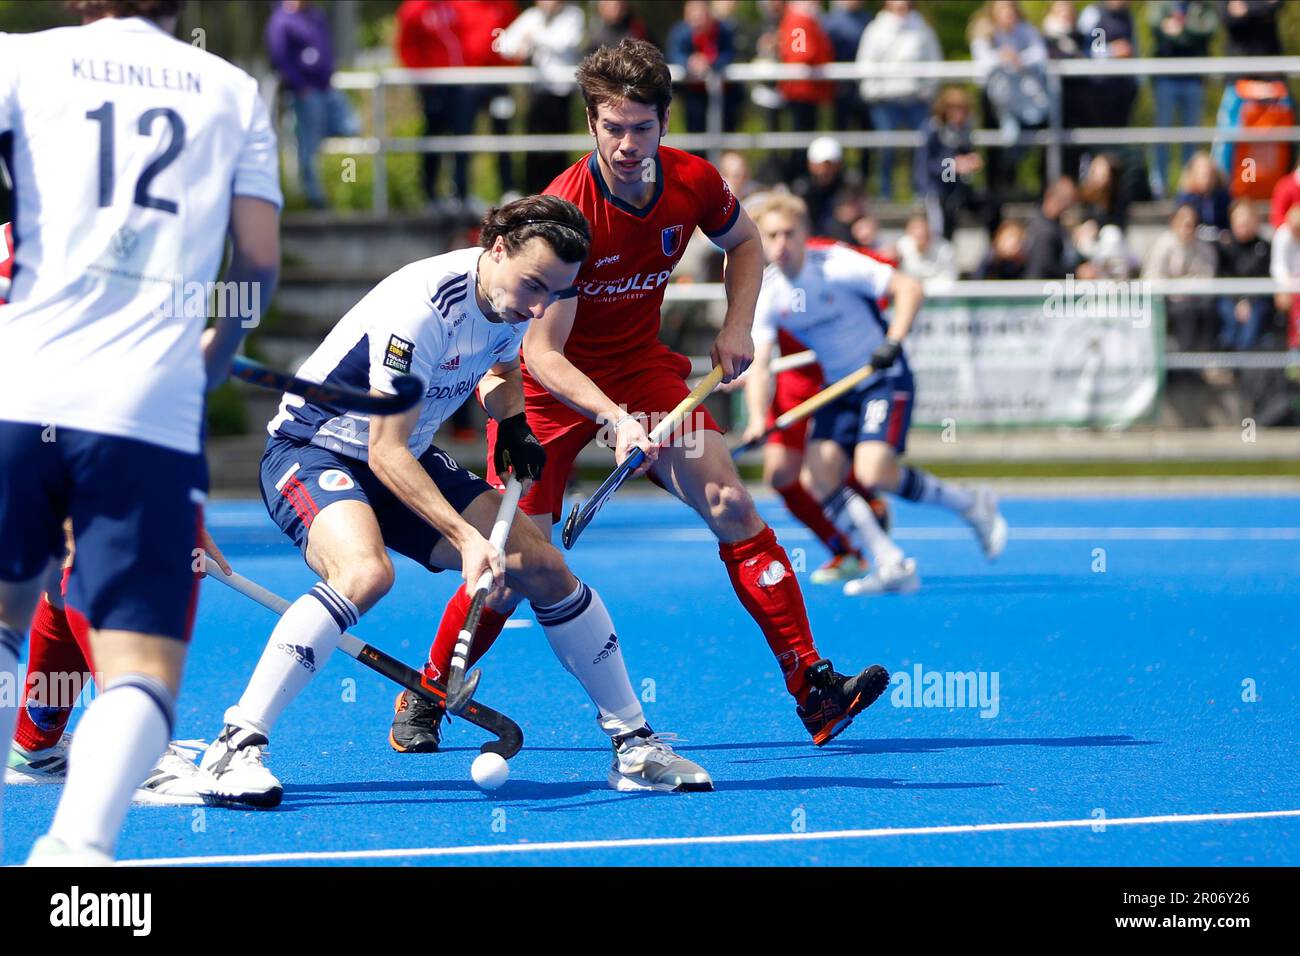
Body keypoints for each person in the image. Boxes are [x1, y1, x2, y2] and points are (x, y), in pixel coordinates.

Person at [406, 39, 892, 752]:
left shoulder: (695, 181)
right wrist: (612, 420)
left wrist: (735, 326)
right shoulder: (566, 212)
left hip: (642, 375)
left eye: (642, 127)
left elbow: (747, 245)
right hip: (549, 397)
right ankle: (428, 690)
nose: (628, 145)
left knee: (730, 501)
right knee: (511, 566)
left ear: (665, 123)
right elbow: (541, 352)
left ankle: (813, 688)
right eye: (612, 128)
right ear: (591, 125)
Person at [198, 196, 712, 806]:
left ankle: (634, 745)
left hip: (405, 455)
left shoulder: (513, 294)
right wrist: (469, 542)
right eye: (535, 287)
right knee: (365, 574)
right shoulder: (420, 311)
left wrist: (515, 423)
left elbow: (498, 371)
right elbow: (385, 452)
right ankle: (233, 747)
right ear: (496, 249)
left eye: (556, 292)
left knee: (542, 566)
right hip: (318, 452)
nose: (542, 306)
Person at [0, 0, 282, 863]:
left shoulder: (16, 58)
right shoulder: (233, 90)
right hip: (145, 410)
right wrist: (214, 350)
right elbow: (259, 263)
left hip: (23, 389)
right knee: (140, 668)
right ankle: (76, 858)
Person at [744, 193, 1007, 596]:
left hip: (882, 377)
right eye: (772, 235)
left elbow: (909, 288)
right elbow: (760, 363)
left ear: (805, 233)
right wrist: (759, 417)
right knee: (819, 478)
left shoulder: (835, 264)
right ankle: (889, 562)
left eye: (789, 233)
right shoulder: (771, 291)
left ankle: (970, 503)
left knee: (873, 473)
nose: (781, 244)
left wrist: (894, 341)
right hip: (839, 387)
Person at [266, 0, 357, 209]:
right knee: (309, 145)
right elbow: (280, 58)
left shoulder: (316, 16)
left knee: (350, 127)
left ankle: (342, 183)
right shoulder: (281, 21)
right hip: (305, 93)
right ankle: (315, 198)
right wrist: (300, 86)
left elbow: (325, 47)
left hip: (326, 88)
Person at [855, 0, 941, 202]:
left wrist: (925, 91)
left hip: (916, 101)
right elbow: (865, 64)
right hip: (885, 102)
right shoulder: (875, 30)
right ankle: (885, 194)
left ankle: (920, 193)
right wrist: (875, 92)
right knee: (887, 150)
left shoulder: (922, 29)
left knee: (921, 149)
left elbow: (934, 62)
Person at [497, 0, 587, 194]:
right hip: (537, 96)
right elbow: (504, 44)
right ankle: (532, 195)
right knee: (534, 150)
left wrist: (533, 38)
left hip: (561, 96)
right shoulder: (532, 16)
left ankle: (561, 194)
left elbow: (565, 42)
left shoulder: (573, 15)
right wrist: (522, 46)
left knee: (558, 150)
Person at [395, 0, 470, 209]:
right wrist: (423, 78)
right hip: (434, 86)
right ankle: (429, 193)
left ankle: (460, 192)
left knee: (462, 135)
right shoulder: (414, 9)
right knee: (434, 137)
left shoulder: (451, 6)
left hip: (457, 83)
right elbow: (405, 46)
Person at [1147, 1, 1218, 198]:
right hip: (1166, 79)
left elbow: (1208, 31)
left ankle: (1190, 187)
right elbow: (1155, 27)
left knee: (1191, 138)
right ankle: (1159, 189)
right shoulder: (1161, 5)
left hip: (1194, 81)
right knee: (1162, 136)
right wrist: (1190, 33)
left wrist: (1181, 29)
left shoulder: (1203, 6)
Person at [915, 86, 998, 241]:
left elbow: (965, 157)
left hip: (957, 189)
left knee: (991, 204)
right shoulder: (932, 129)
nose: (959, 115)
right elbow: (926, 165)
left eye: (963, 110)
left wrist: (973, 161)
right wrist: (953, 165)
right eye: (955, 110)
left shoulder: (963, 131)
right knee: (941, 228)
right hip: (936, 190)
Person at [1143, 202, 1218, 350]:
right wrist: (1179, 288)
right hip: (1166, 301)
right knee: (1184, 313)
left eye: (1191, 223)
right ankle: (1183, 364)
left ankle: (1204, 361)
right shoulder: (1162, 245)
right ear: (1174, 222)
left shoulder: (1205, 248)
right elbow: (1154, 277)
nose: (1186, 227)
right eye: (1183, 222)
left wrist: (1185, 287)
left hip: (1196, 300)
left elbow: (1206, 277)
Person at [666, 0, 737, 138]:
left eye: (700, 15)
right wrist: (689, 62)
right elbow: (673, 54)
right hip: (693, 94)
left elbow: (730, 54)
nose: (697, 21)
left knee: (725, 135)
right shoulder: (681, 32)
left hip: (724, 94)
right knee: (695, 136)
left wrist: (710, 62)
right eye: (693, 16)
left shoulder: (723, 30)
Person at [824, 0, 874, 184]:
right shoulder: (830, 22)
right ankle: (839, 180)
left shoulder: (868, 20)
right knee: (840, 135)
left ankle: (864, 181)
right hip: (840, 90)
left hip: (866, 89)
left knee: (867, 138)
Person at [1215, 199, 1273, 351]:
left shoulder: (1264, 248)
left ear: (1256, 222)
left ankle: (1243, 364)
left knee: (1253, 320)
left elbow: (1265, 278)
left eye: (1247, 221)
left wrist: (1248, 301)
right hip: (1229, 299)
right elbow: (1223, 277)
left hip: (1257, 300)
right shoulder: (1224, 248)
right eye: (1239, 221)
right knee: (1228, 318)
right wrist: (1238, 301)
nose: (1243, 225)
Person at [1024, 176, 1080, 279]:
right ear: (1050, 196)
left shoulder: (1054, 225)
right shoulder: (1044, 230)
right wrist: (1077, 273)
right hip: (1040, 291)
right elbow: (1046, 267)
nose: (1069, 205)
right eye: (1065, 199)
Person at [895, 213, 959, 283]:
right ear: (908, 232)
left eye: (923, 229)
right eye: (915, 229)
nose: (920, 232)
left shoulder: (945, 250)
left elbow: (950, 277)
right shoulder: (901, 247)